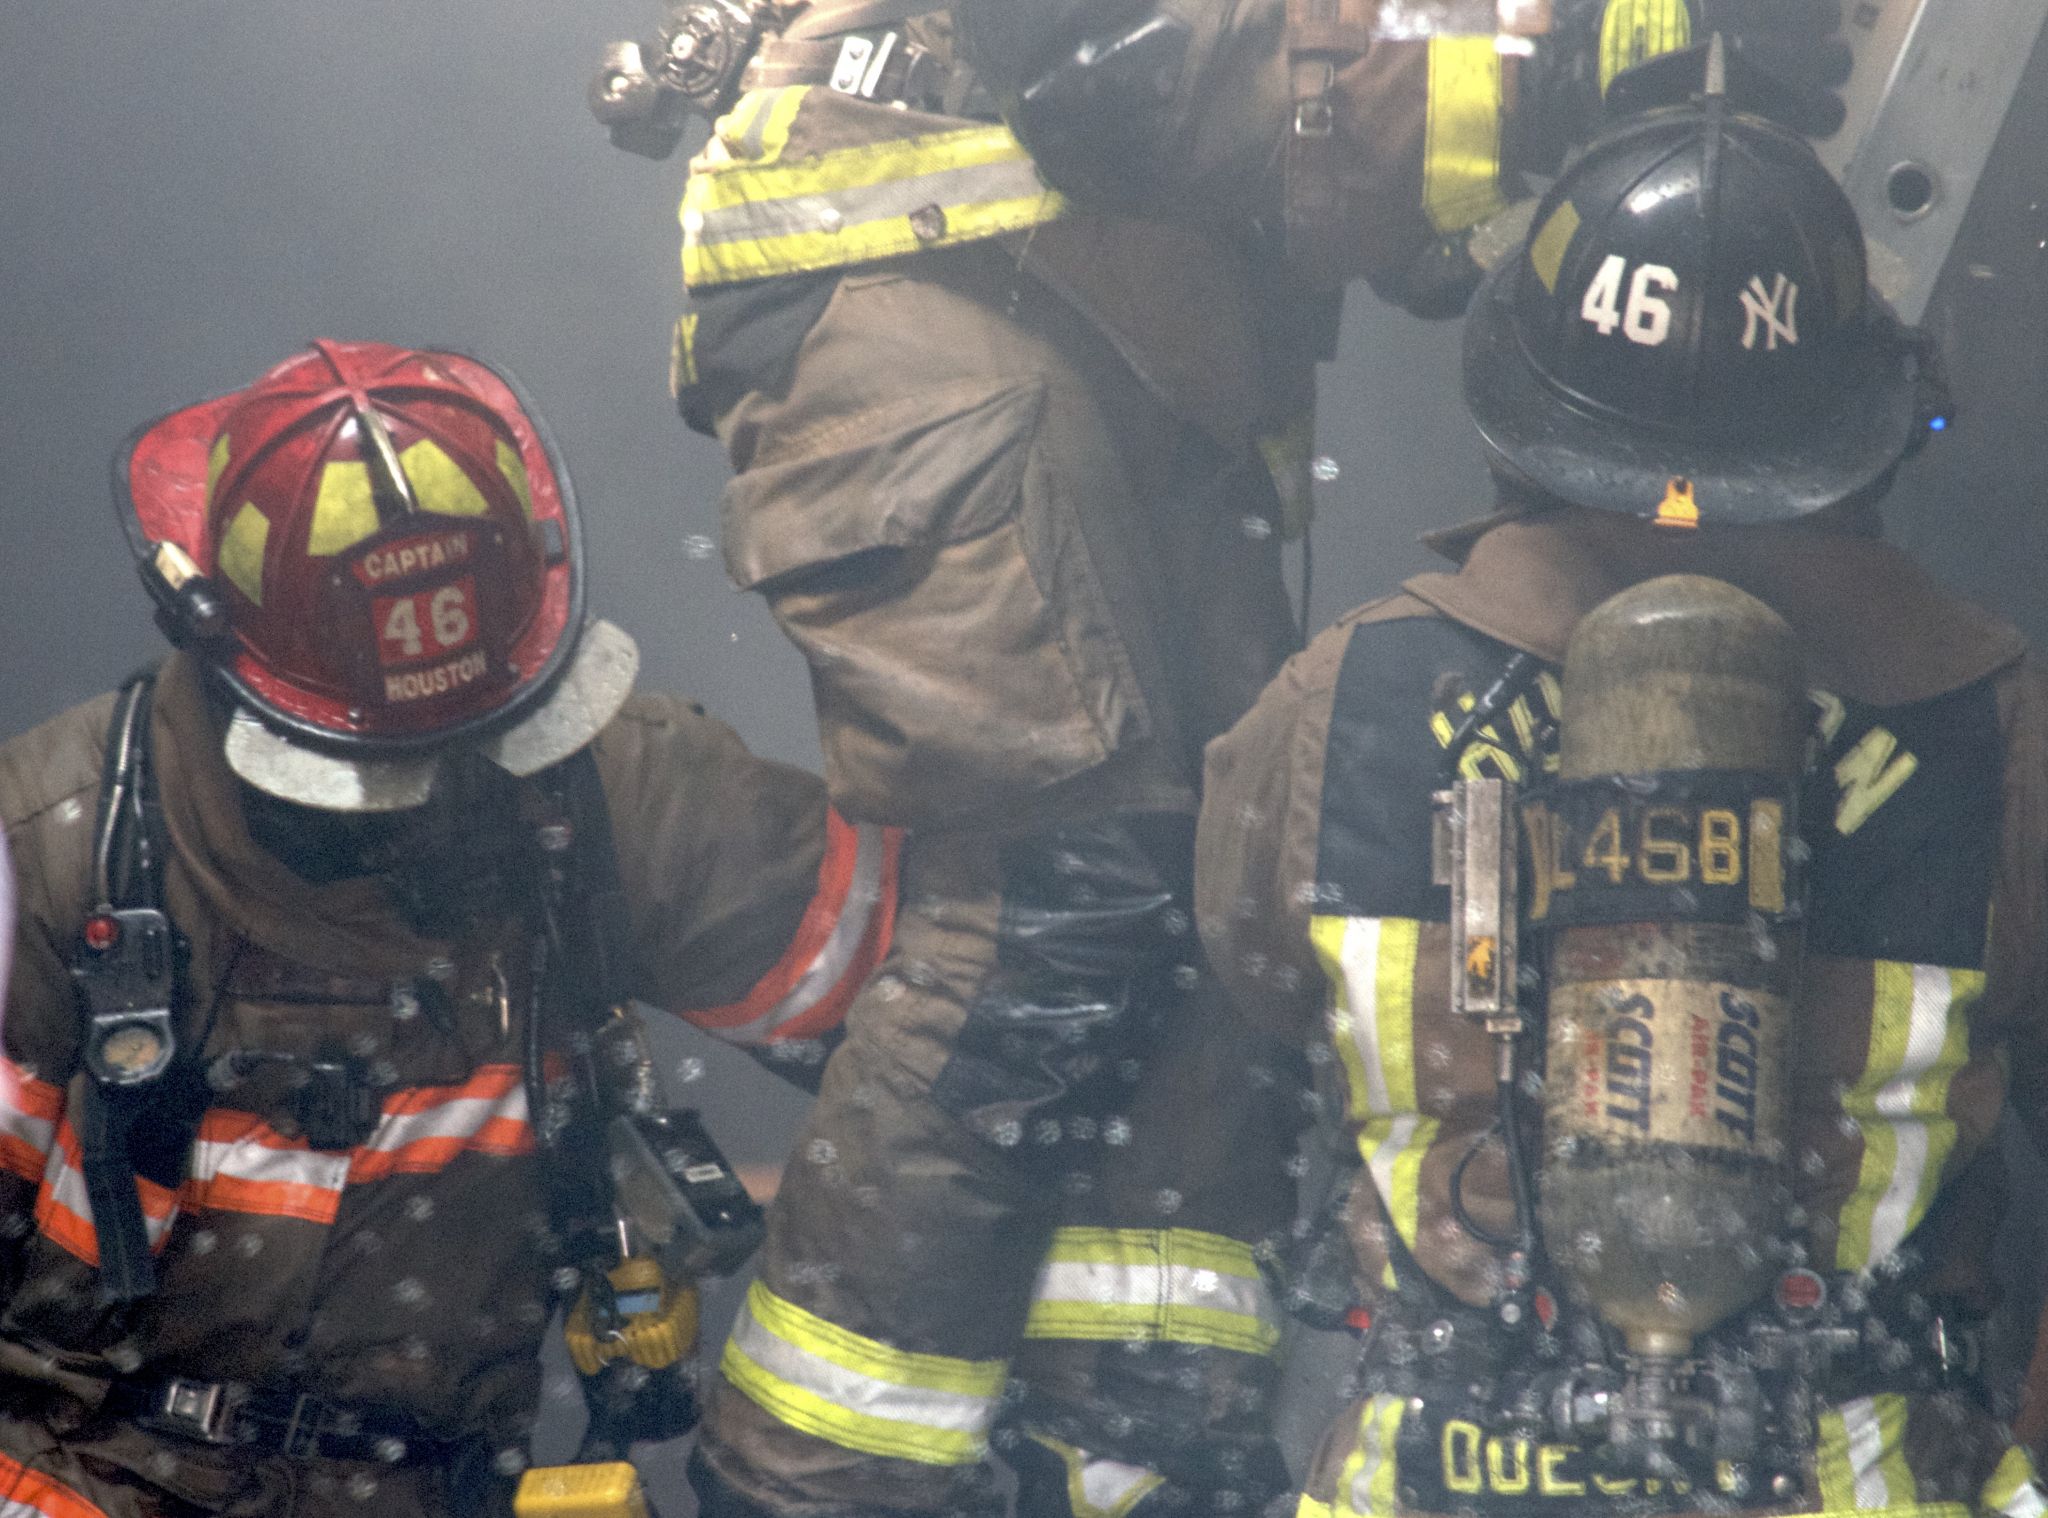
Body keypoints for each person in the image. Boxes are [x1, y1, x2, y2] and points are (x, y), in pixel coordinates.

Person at [617, 1, 1859, 1514]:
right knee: (1057, 904)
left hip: (1133, 333)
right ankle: (810, 1474)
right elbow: (1112, 68)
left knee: (1210, 900)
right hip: (924, 285)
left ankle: (1130, 1443)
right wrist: (1571, 61)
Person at [1194, 82, 2048, 1518]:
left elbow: (1260, 988)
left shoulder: (1337, 703)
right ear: (1865, 424)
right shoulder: (1997, 733)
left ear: (1524, 411)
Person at [0, 339, 897, 1518]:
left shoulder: (623, 800)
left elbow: (956, 1037)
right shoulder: (53, 857)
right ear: (213, 645)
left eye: (483, 745)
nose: (437, 799)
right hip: (75, 1473)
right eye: (367, 773)